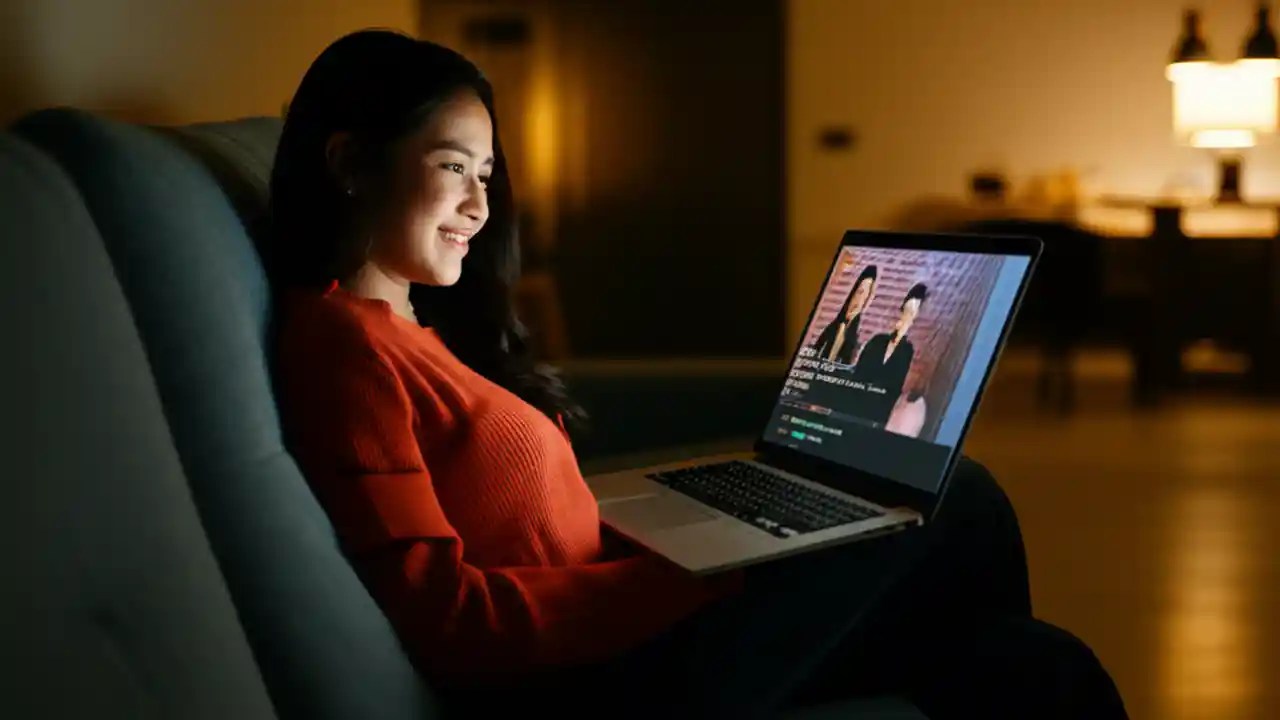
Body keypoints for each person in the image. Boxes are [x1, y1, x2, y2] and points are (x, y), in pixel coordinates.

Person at [270, 30, 1127, 719]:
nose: (480, 207)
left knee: (1038, 664)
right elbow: (448, 621)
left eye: (486, 175)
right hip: (596, 682)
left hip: (630, 627)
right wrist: (699, 581)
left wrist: (697, 537)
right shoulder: (344, 347)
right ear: (349, 164)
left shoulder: (422, 322)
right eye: (454, 167)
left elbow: (521, 517)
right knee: (955, 497)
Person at [853, 283, 928, 428]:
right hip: (855, 406)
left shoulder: (907, 351)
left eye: (913, 312)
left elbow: (896, 388)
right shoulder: (878, 341)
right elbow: (859, 373)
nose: (908, 316)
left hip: (878, 416)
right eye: (907, 310)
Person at [812, 265, 877, 365]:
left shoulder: (856, 338)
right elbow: (813, 354)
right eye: (859, 292)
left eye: (866, 296)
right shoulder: (832, 329)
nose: (860, 302)